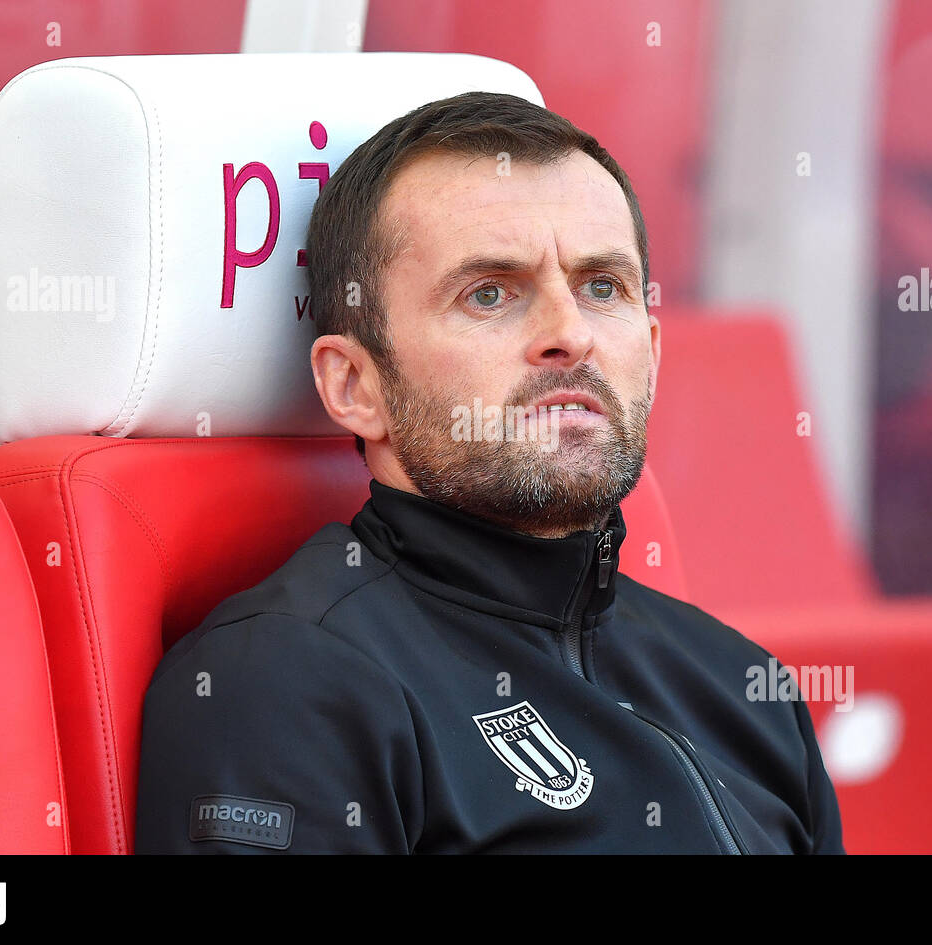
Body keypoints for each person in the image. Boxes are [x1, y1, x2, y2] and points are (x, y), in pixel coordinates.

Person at [135, 91, 845, 854]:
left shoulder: (741, 682)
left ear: (654, 350)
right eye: (491, 293)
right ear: (354, 385)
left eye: (602, 286)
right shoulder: (282, 683)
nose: (569, 335)